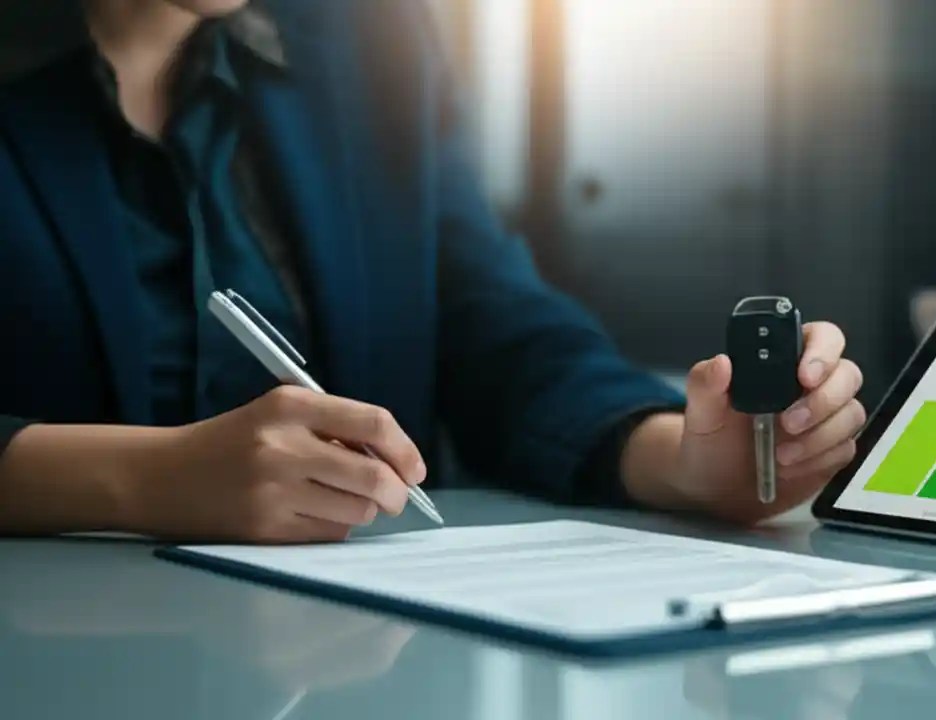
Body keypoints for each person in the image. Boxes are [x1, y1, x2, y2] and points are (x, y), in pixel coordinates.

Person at [0, 0, 866, 542]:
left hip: (348, 658)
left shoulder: (366, 34)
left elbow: (486, 320)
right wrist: (146, 479)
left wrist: (676, 457)